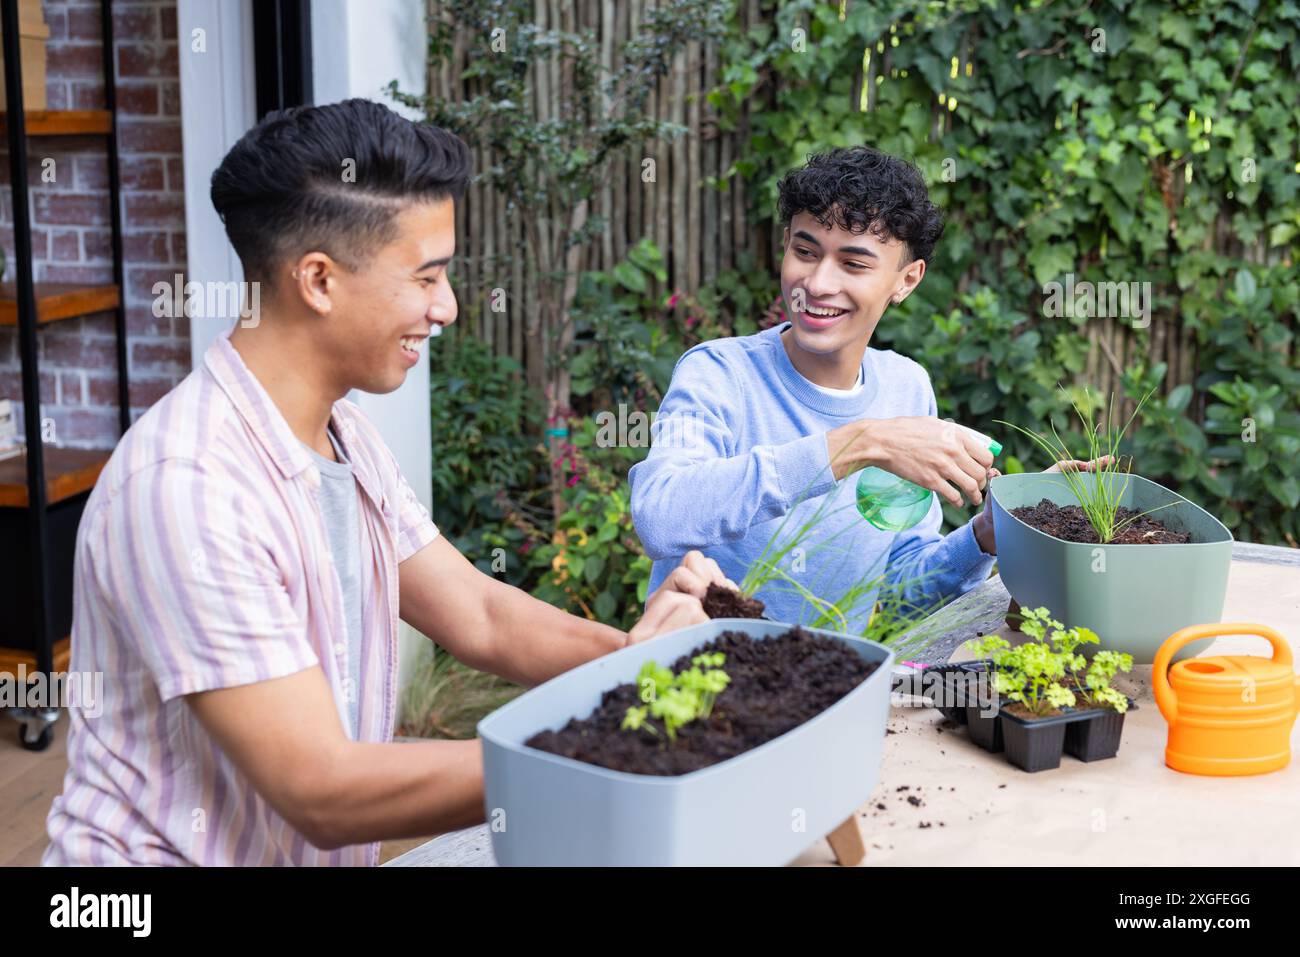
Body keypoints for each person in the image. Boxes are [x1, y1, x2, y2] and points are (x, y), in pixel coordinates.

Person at [43, 99, 730, 866]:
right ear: (319, 280)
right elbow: (323, 789)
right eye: (428, 276)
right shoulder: (187, 488)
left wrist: (646, 663)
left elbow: (479, 615)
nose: (449, 307)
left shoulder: (341, 431)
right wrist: (622, 731)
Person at [630, 145, 1105, 632]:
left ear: (906, 281)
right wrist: (862, 444)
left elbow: (898, 594)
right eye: (805, 251)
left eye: (853, 264)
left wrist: (986, 535)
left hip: (834, 685)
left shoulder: (907, 388)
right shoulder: (718, 374)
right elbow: (660, 514)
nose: (816, 283)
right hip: (704, 683)